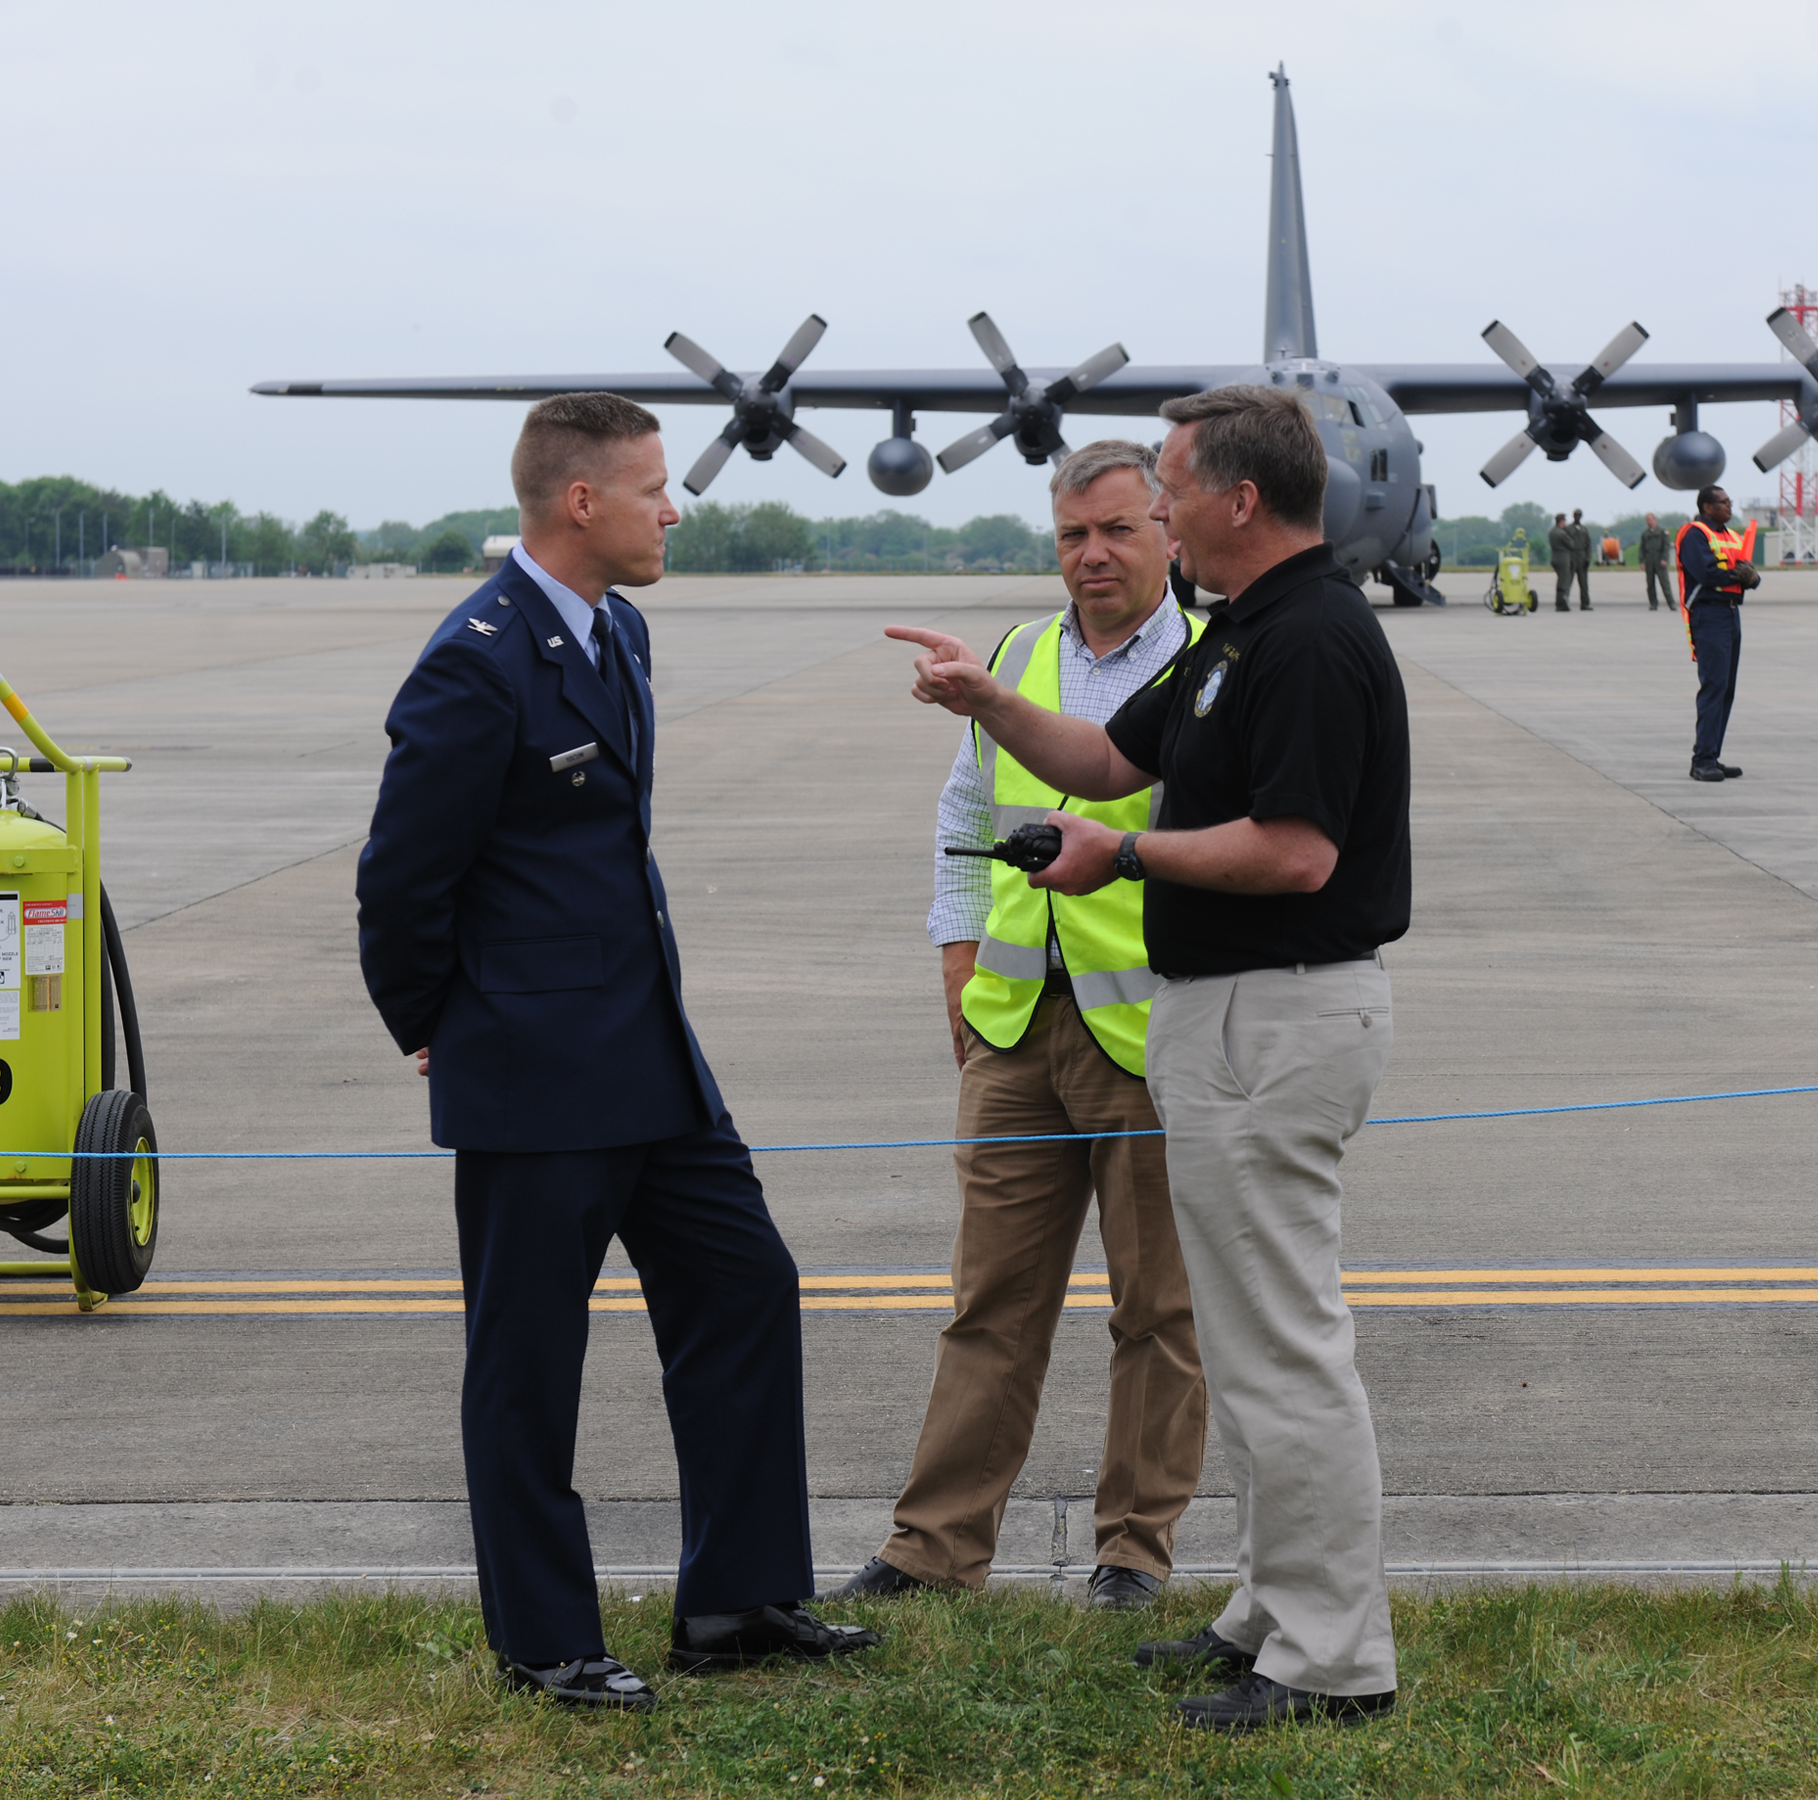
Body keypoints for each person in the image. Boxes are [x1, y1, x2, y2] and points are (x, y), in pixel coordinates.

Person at [888, 383, 1411, 1734]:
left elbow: (1293, 851)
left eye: (1168, 488)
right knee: (1243, 1350)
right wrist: (983, 698)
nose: (1154, 512)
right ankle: (1266, 1613)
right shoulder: (1239, 636)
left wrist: (1115, 858)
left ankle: (1331, 1658)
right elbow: (1103, 761)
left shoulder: (1304, 642)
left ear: (1236, 501)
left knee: (1279, 1350)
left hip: (1271, 1015)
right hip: (1224, 1017)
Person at [357, 392, 877, 1714]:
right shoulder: (474, 662)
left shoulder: (618, 630)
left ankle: (737, 1599)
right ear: (579, 503)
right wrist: (437, 1025)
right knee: (526, 1368)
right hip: (533, 1072)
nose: (674, 509)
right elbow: (399, 885)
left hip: (648, 1053)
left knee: (746, 1285)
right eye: (654, 489)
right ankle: (545, 1641)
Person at [833, 440, 1208, 1613]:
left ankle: (1133, 1554)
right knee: (989, 1303)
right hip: (1010, 1030)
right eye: (1070, 537)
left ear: (1169, 534)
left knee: (1158, 1312)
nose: (1090, 557)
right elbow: (962, 813)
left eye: (1116, 531)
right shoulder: (1018, 653)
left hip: (1148, 1043)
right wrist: (955, 962)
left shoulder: (1208, 668)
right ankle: (932, 1549)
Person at [1676, 485, 1757, 782]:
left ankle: (1713, 754)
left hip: (1731, 613)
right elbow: (1707, 573)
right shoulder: (1695, 533)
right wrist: (1739, 577)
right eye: (1723, 502)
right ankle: (1702, 761)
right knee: (1713, 687)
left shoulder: (1732, 536)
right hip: (1709, 616)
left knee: (1726, 689)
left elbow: (1748, 570)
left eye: (1729, 502)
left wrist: (1753, 577)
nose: (1729, 506)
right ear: (1707, 507)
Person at [1639, 512, 1671, 610]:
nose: (1649, 521)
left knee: (1665, 583)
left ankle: (1671, 603)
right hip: (1649, 560)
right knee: (1650, 584)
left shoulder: (1662, 532)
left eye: (1651, 519)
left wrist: (1664, 559)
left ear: (1654, 520)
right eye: (1647, 520)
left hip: (1659, 560)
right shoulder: (1645, 534)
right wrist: (1641, 561)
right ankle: (1653, 603)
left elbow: (1666, 547)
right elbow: (1642, 548)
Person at [1549, 511, 1577, 612]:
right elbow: (1571, 545)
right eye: (1564, 520)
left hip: (1554, 557)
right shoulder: (1562, 533)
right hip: (1563, 558)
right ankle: (1561, 603)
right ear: (1561, 521)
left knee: (1560, 580)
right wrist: (1569, 537)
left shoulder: (1552, 532)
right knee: (1564, 581)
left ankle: (1559, 602)